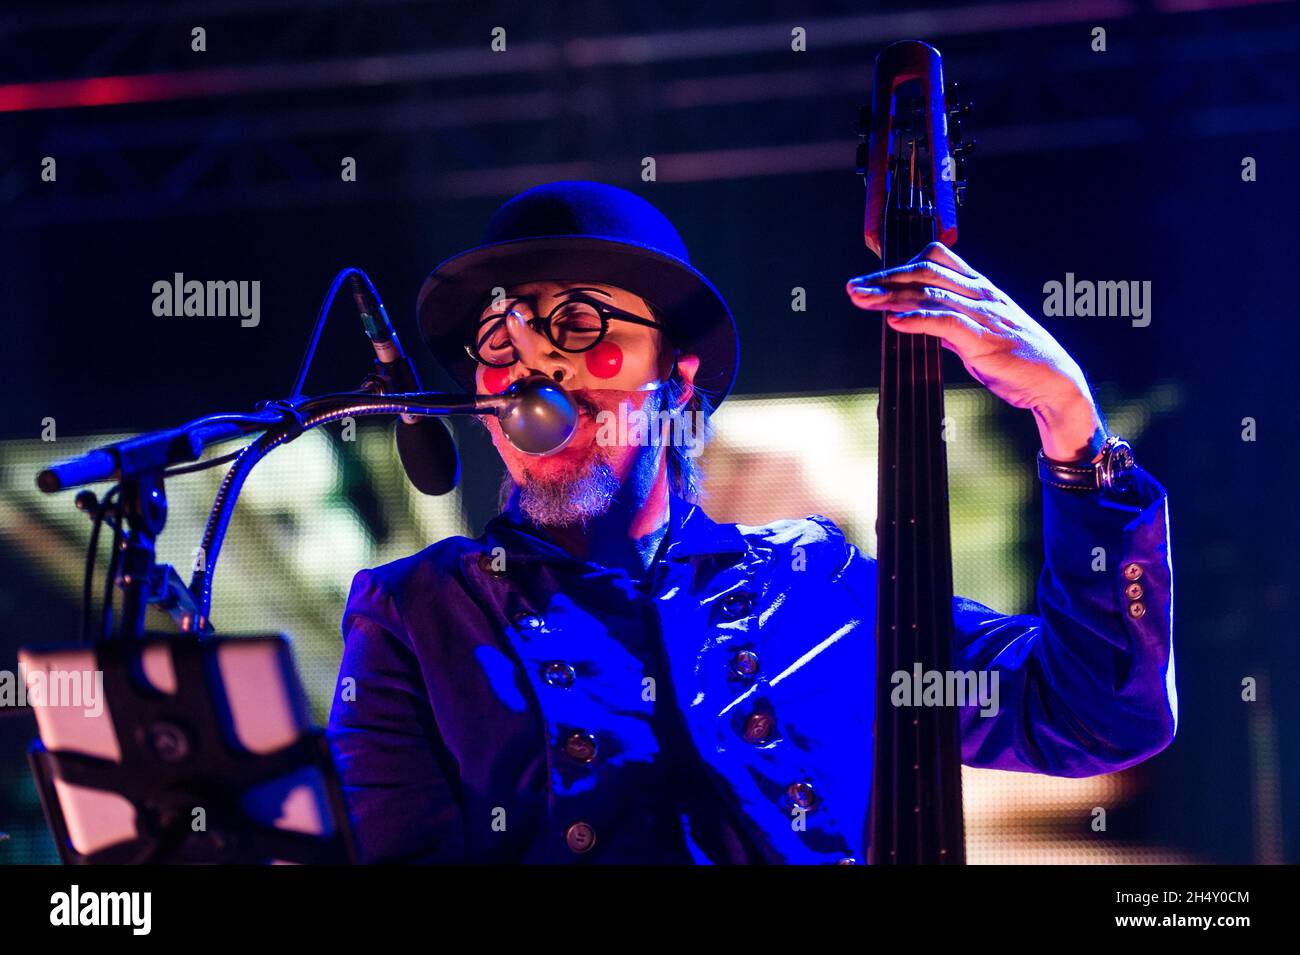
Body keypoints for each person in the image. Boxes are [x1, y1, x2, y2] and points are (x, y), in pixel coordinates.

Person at [326, 180, 1176, 864]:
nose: (531, 367)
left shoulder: (818, 584)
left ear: (680, 379)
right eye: (499, 345)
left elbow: (1096, 712)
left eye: (578, 323)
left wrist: (1069, 418)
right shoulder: (417, 613)